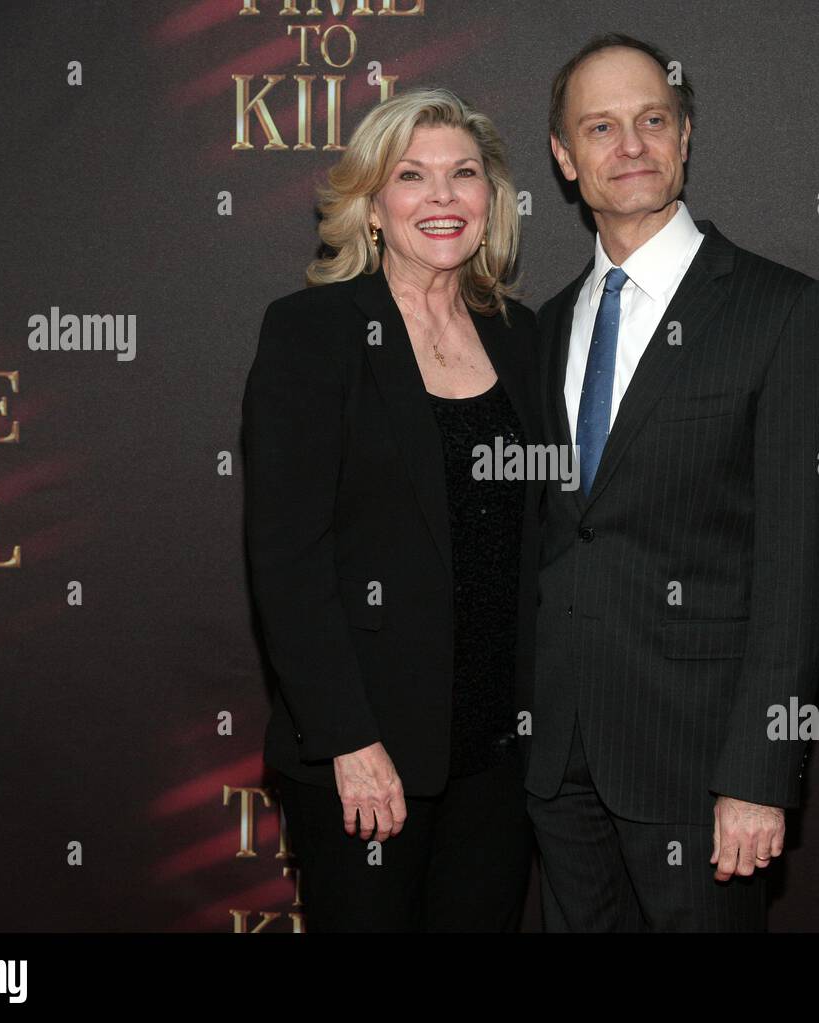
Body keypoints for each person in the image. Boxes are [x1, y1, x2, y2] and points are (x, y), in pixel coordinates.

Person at [526, 33, 819, 931]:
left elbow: (803, 565)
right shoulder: (545, 327)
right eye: (599, 127)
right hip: (557, 765)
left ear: (685, 135)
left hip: (701, 769)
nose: (628, 145)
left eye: (651, 120)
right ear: (564, 157)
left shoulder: (783, 311)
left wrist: (758, 771)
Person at [240, 87, 542, 931]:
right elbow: (287, 558)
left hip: (500, 756)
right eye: (412, 176)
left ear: (492, 200)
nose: (443, 197)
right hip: (368, 756)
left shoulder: (522, 337)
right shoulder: (314, 331)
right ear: (373, 207)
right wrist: (347, 739)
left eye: (464, 175)